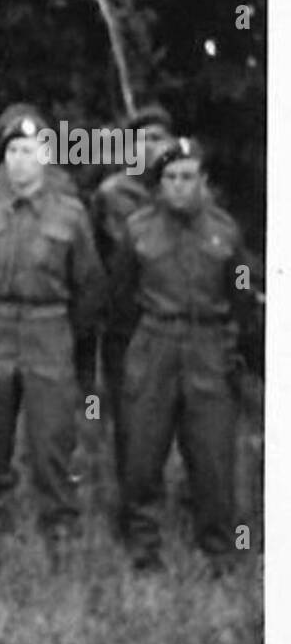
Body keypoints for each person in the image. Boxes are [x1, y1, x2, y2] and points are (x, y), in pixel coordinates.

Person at [0, 109, 105, 558]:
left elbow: (90, 288)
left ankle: (60, 533)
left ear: (46, 157)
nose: (22, 160)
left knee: (52, 442)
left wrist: (65, 335)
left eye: (31, 151)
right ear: (5, 159)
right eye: (14, 151)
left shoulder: (70, 215)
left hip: (48, 332)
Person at [110, 136, 258, 572]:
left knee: (213, 453)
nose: (178, 186)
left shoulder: (226, 232)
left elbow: (243, 292)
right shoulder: (136, 230)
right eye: (170, 177)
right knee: (143, 450)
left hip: (209, 347)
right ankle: (143, 545)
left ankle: (219, 548)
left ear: (203, 180)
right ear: (159, 183)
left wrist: (237, 348)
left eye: (188, 177)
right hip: (154, 341)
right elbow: (120, 300)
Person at [90, 104, 175, 472]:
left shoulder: (180, 190)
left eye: (159, 139)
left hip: (172, 323)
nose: (152, 147)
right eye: (143, 139)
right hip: (129, 323)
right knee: (131, 417)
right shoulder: (114, 194)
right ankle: (133, 501)